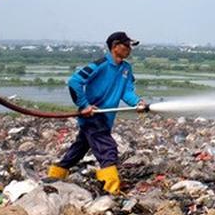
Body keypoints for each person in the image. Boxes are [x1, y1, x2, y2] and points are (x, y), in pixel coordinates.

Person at [47, 31, 148, 194]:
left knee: (77, 150)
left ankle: (54, 176)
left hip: (105, 118)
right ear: (115, 47)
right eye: (127, 45)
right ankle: (111, 189)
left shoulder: (126, 69)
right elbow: (75, 81)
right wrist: (84, 105)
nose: (130, 49)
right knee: (108, 150)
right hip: (93, 116)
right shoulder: (100, 65)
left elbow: (126, 92)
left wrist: (138, 102)